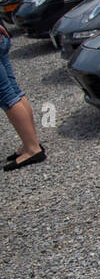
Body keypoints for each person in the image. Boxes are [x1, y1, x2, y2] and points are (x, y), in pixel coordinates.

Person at [0, 22, 45, 171]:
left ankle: (32, 148)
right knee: (13, 90)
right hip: (2, 36)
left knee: (7, 97)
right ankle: (30, 143)